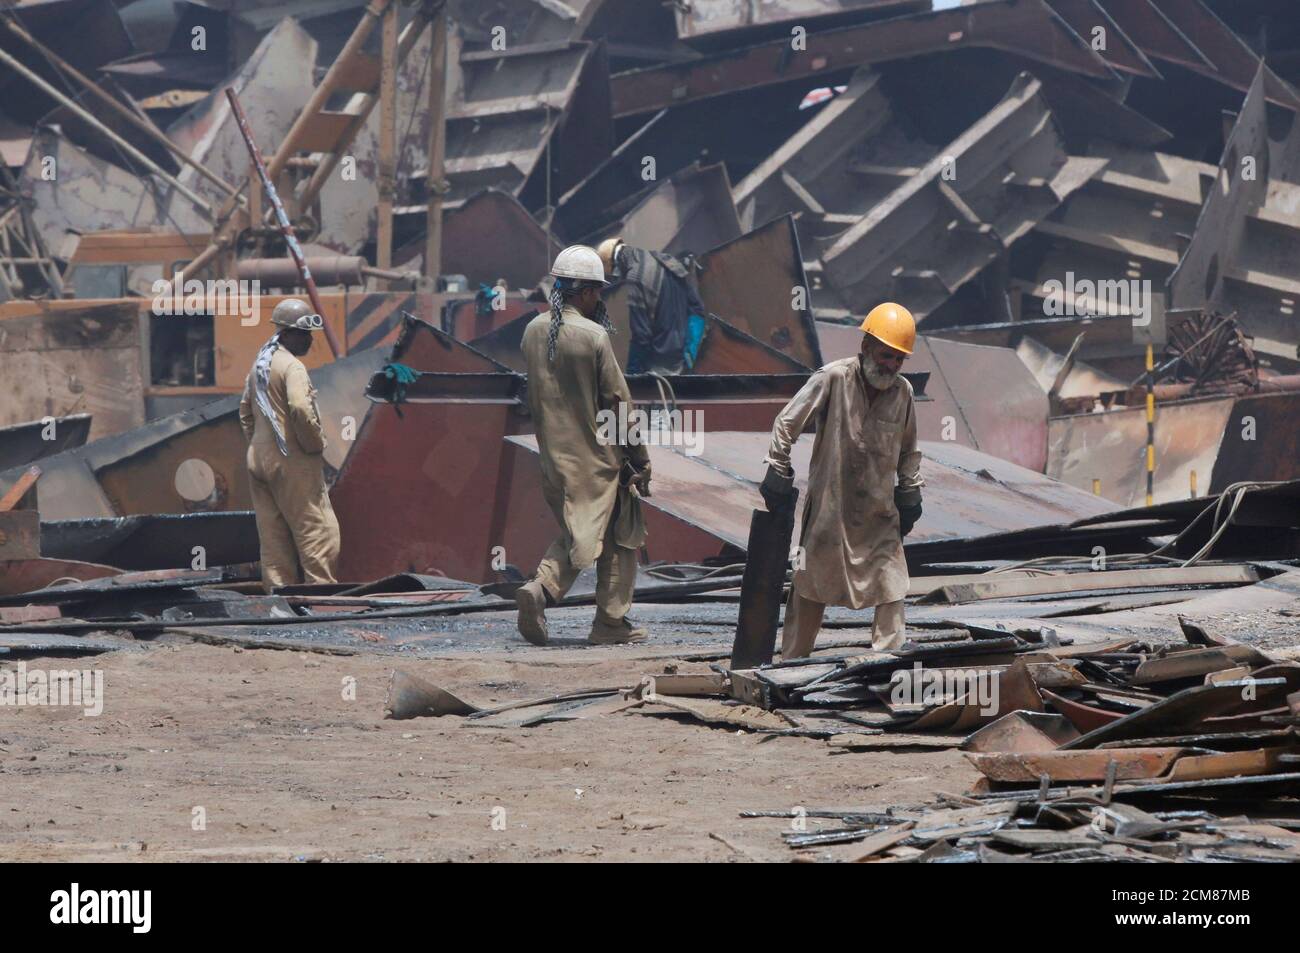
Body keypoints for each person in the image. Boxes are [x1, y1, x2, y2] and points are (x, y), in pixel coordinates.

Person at [760, 302, 924, 658]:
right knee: (810, 584)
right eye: (886, 355)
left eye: (899, 359)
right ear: (866, 347)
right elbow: (787, 422)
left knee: (892, 583)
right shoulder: (833, 378)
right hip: (829, 513)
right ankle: (792, 661)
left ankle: (887, 660)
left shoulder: (903, 393)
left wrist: (910, 490)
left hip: (879, 516)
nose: (892, 365)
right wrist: (777, 467)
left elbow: (909, 450)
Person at [514, 245, 652, 645]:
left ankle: (605, 621)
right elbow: (618, 404)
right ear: (588, 291)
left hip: (554, 460)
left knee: (588, 530)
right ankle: (550, 592)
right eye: (598, 292)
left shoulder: (533, 331)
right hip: (596, 461)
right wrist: (639, 459)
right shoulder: (593, 335)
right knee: (620, 532)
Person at [238, 298, 340, 592]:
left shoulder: (261, 364)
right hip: (292, 461)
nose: (309, 339)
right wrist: (313, 445)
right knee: (317, 530)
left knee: (274, 539)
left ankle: (279, 602)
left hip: (258, 460)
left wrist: (259, 446)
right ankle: (322, 599)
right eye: (304, 333)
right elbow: (300, 409)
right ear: (288, 333)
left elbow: (245, 412)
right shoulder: (293, 367)